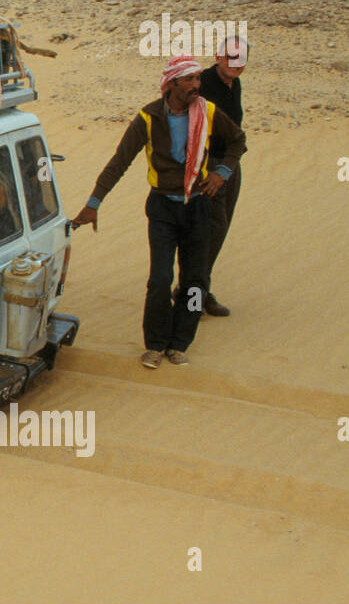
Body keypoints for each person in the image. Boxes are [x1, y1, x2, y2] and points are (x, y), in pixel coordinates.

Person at [71, 55, 246, 369]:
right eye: (190, 79)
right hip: (163, 208)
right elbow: (118, 163)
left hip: (198, 207)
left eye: (198, 79)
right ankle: (154, 345)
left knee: (194, 282)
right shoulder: (149, 117)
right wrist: (93, 204)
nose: (197, 85)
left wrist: (221, 173)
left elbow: (237, 141)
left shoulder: (207, 112)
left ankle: (179, 344)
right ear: (172, 83)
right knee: (160, 280)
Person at [197, 35, 248, 316]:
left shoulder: (234, 83)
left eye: (241, 58)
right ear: (218, 56)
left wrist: (230, 166)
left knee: (221, 227)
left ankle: (199, 289)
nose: (236, 63)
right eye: (230, 56)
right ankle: (191, 292)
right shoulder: (202, 82)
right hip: (208, 166)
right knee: (210, 228)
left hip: (230, 164)